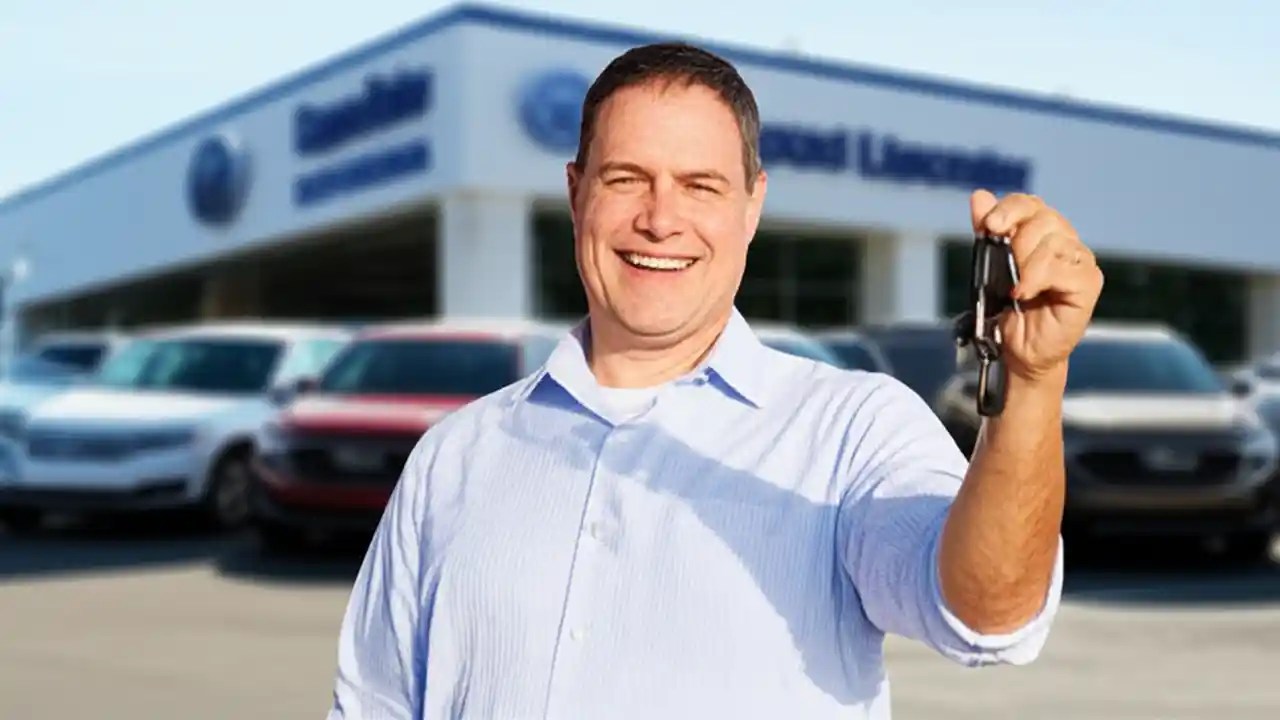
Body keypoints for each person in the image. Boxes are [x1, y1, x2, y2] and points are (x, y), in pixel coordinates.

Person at [326, 42, 1103, 720]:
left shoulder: (849, 429)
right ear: (575, 194)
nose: (661, 220)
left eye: (700, 185)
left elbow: (986, 612)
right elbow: (373, 705)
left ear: (752, 206)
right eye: (628, 178)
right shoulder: (455, 456)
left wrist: (1031, 384)